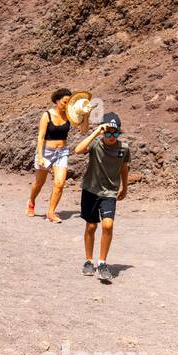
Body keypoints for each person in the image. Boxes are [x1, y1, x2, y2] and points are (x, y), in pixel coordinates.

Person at [74, 111, 129, 282]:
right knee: (91, 227)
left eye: (115, 132)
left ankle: (102, 262)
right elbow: (78, 150)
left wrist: (125, 187)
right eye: (108, 132)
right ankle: (89, 261)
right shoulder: (96, 143)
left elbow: (123, 168)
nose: (112, 136)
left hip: (110, 192)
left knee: (107, 224)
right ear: (103, 131)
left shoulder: (123, 149)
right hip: (91, 189)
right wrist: (96, 132)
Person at [26, 88, 74, 223]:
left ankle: (51, 213)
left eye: (69, 103)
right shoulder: (47, 115)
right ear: (57, 101)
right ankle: (31, 200)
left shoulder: (70, 116)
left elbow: (83, 129)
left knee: (60, 184)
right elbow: (40, 137)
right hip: (46, 151)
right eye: (65, 102)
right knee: (40, 183)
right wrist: (40, 156)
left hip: (62, 152)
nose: (66, 105)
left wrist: (86, 115)